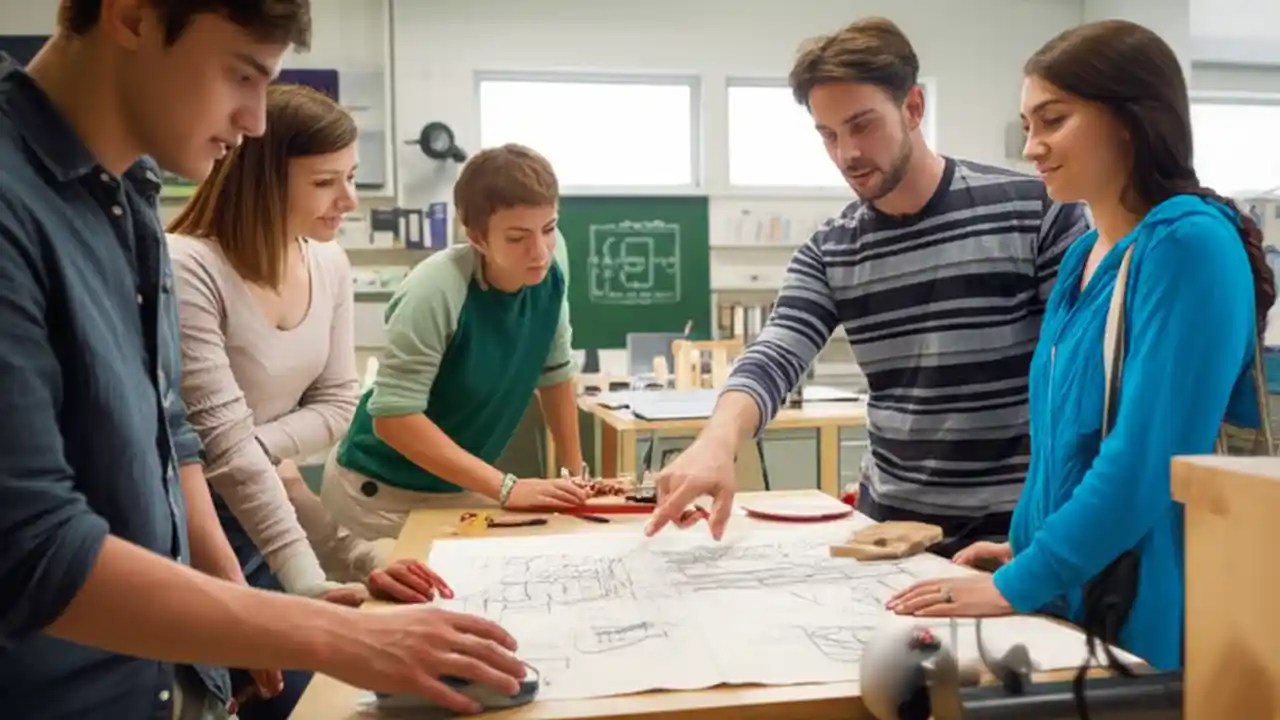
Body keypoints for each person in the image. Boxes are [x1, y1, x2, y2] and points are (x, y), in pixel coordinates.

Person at [0, 2, 523, 718]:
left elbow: (175, 439)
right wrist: (329, 632)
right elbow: (30, 548)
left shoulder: (130, 198)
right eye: (241, 75)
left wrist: (256, 599)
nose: (253, 121)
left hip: (166, 677)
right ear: (133, 17)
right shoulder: (21, 207)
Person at [885, 19, 1274, 672]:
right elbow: (1068, 443)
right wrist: (1028, 550)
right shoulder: (1083, 258)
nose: (1031, 146)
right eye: (1027, 125)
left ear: (1130, 120)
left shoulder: (1189, 246)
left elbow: (1146, 461)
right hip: (1076, 597)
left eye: (1054, 120)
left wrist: (1022, 580)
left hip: (1150, 617)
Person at [645, 17, 1090, 552]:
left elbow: (1084, 377)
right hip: (890, 538)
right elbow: (776, 352)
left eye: (862, 126)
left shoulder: (1036, 211)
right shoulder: (831, 249)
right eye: (829, 135)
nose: (847, 154)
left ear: (914, 108)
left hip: (1016, 540)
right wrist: (718, 440)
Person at [167, 82, 452, 719]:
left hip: (269, 516)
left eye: (350, 177)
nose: (349, 199)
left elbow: (339, 405)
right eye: (326, 182)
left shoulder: (328, 262)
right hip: (191, 537)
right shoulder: (188, 266)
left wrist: (359, 559)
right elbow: (224, 457)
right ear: (264, 179)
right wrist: (306, 578)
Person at [321, 143, 589, 540]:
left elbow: (555, 371)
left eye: (548, 228)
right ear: (477, 237)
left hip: (456, 487)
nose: (539, 252)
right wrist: (506, 488)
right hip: (378, 496)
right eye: (517, 237)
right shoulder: (435, 290)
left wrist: (576, 477)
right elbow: (393, 419)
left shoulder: (551, 263)